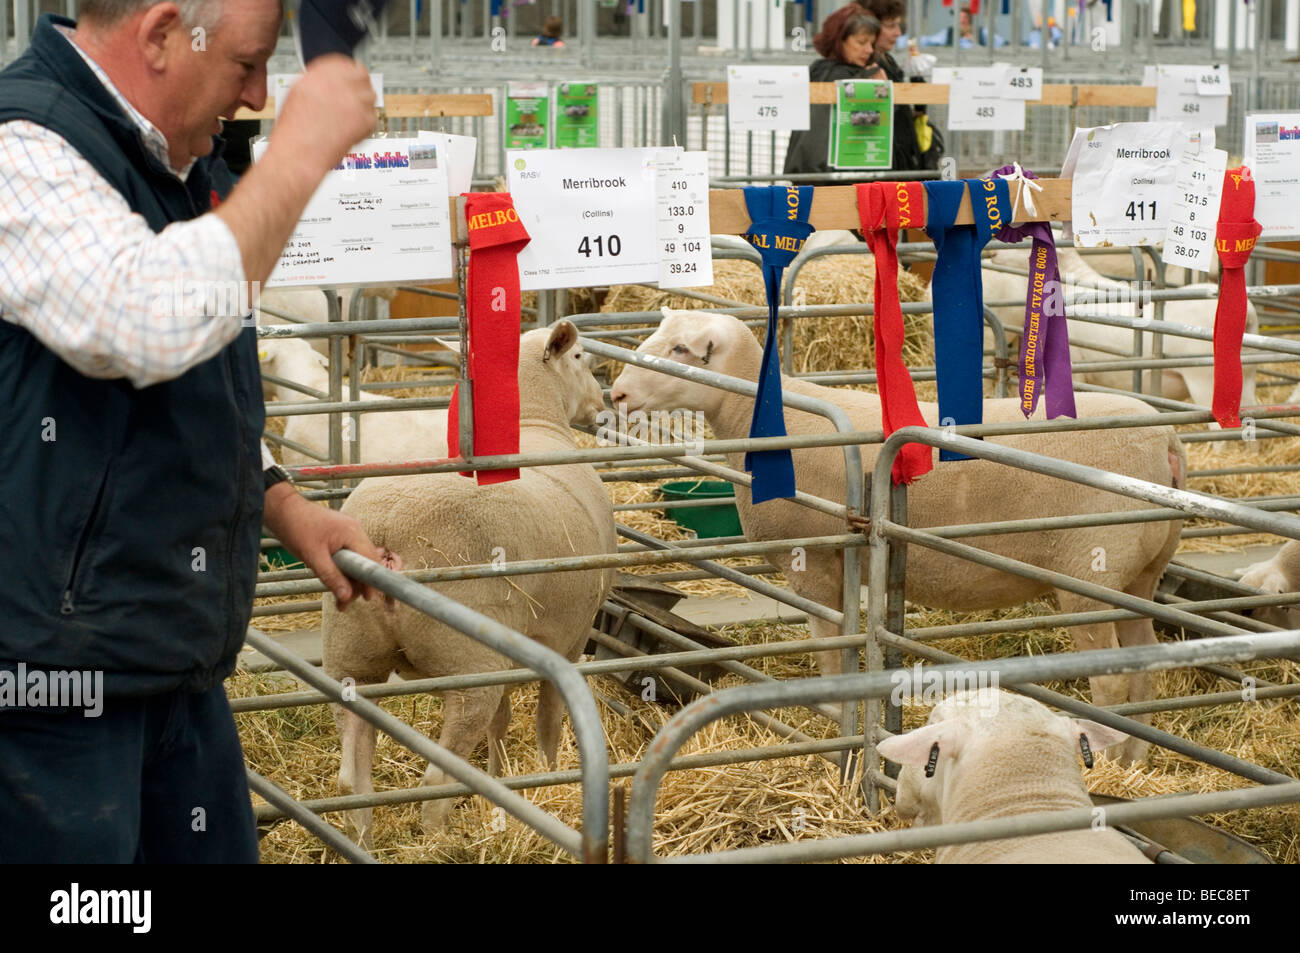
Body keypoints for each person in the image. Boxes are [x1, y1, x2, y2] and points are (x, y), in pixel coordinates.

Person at [0, 0, 391, 862]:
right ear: (163, 34)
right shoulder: (21, 144)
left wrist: (282, 502)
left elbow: (189, 384)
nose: (256, 94)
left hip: (172, 666)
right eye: (247, 64)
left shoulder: (171, 161)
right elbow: (140, 319)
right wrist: (298, 152)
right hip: (50, 695)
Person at [782, 6, 885, 177]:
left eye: (872, 44)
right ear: (840, 41)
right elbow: (860, 123)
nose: (869, 50)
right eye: (861, 42)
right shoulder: (842, 76)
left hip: (810, 172)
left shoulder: (820, 70)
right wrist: (880, 95)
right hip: (832, 175)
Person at [857, 0, 943, 171]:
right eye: (890, 26)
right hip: (882, 160)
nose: (897, 33)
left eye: (898, 25)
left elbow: (900, 111)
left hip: (902, 155)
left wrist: (917, 80)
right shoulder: (866, 66)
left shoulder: (887, 60)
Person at [920, 4, 1008, 46]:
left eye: (965, 17)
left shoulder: (981, 32)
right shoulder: (949, 32)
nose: (962, 21)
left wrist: (975, 42)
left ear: (970, 19)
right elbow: (929, 40)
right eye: (959, 17)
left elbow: (1001, 43)